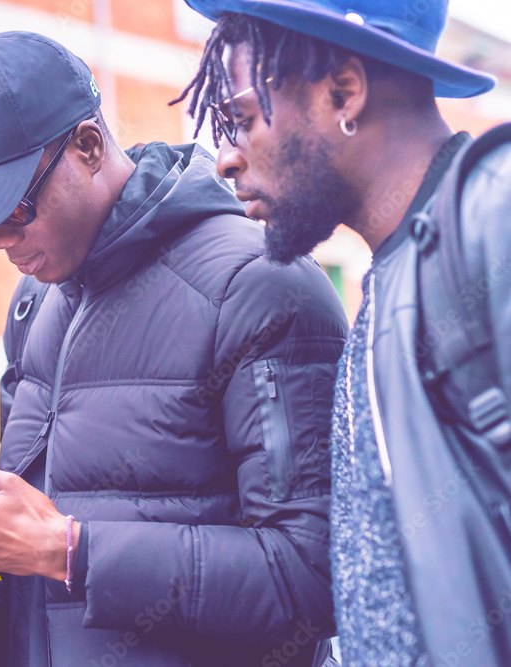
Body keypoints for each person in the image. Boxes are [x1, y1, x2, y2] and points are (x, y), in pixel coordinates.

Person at [0, 31, 349, 666]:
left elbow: (314, 575)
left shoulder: (260, 286)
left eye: (12, 209)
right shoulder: (35, 304)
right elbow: (49, 515)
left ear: (88, 148)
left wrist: (69, 551)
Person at [174, 1, 511, 664]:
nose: (225, 160)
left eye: (241, 119)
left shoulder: (492, 223)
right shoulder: (386, 288)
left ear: (344, 92)